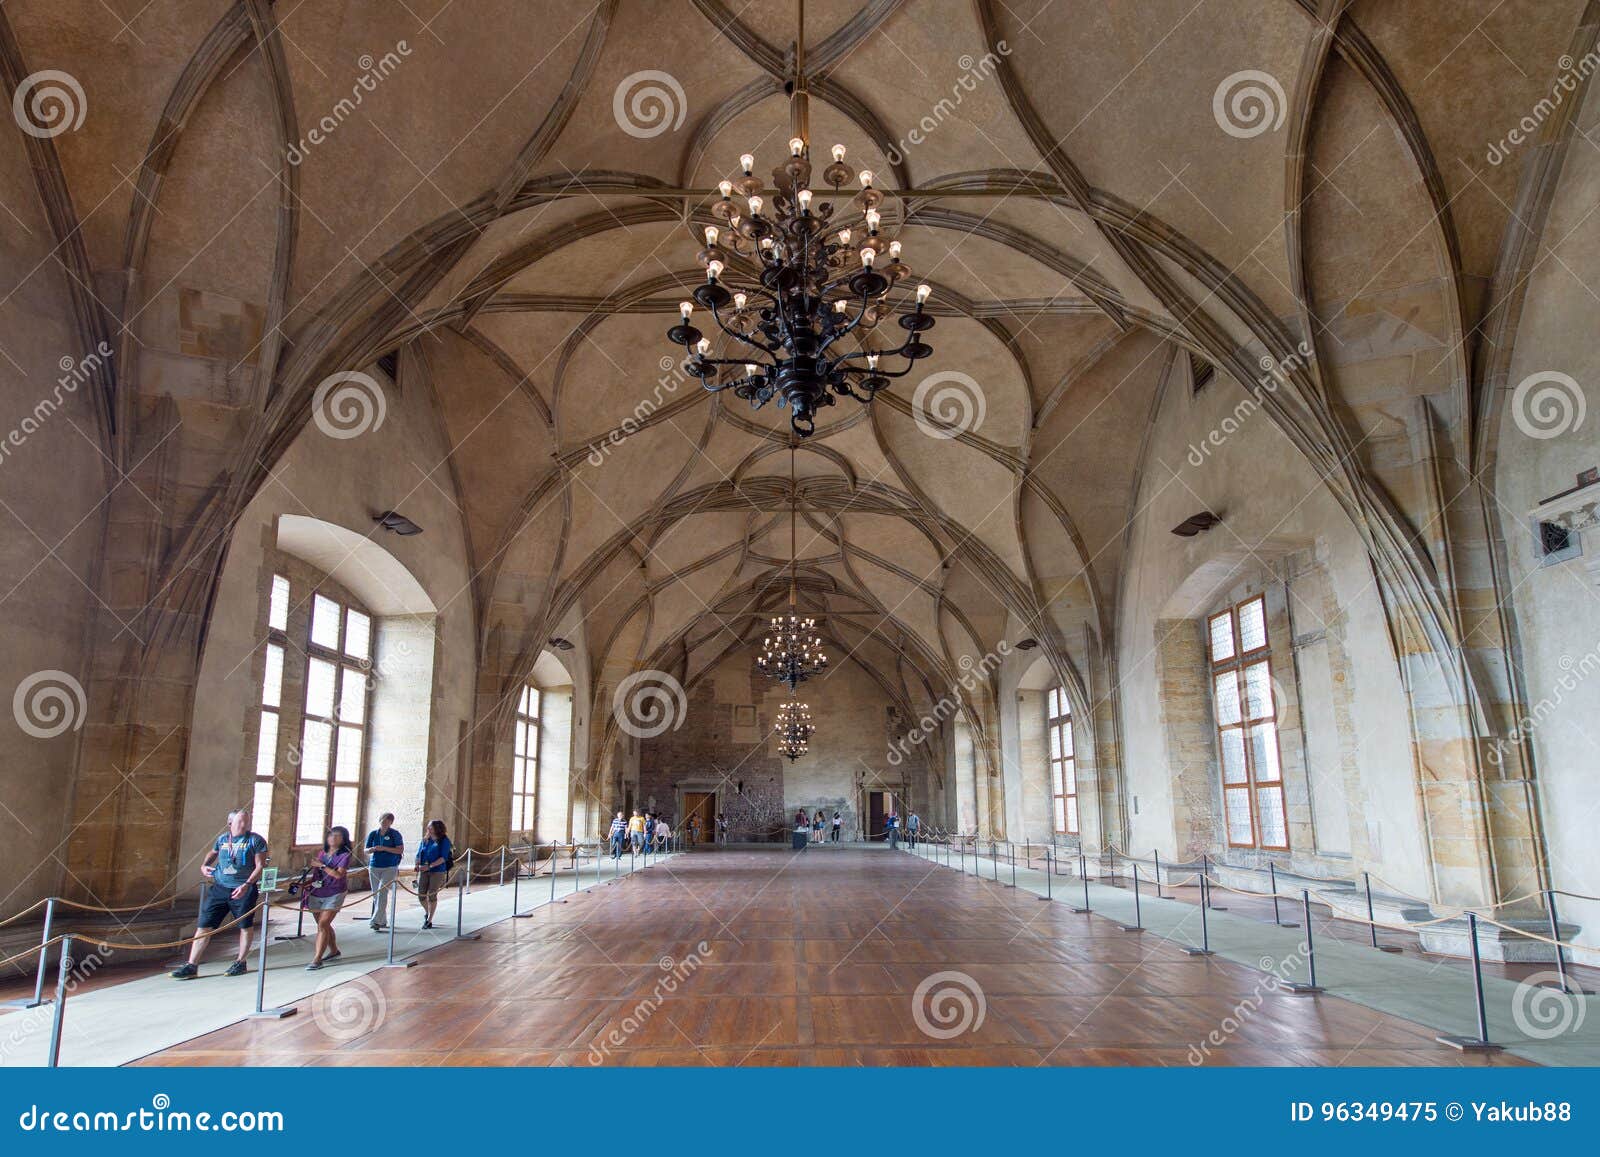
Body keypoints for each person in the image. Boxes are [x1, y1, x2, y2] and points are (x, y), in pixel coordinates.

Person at [171, 808, 268, 980]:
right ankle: (192, 964)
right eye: (240, 821)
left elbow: (260, 865)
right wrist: (204, 865)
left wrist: (247, 884)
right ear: (230, 823)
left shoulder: (255, 840)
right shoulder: (223, 839)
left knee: (245, 925)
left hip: (243, 888)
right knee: (204, 925)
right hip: (220, 888)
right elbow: (213, 852)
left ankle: (241, 961)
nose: (245, 824)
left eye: (247, 820)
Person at [305, 826, 353, 969]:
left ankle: (317, 959)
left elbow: (339, 875)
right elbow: (317, 872)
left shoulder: (344, 855)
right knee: (323, 924)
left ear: (343, 838)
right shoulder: (322, 853)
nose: (333, 838)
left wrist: (321, 866)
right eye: (331, 835)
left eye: (338, 835)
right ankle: (333, 950)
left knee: (323, 924)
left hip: (335, 892)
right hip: (318, 891)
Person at [363, 812, 404, 930]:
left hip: (390, 866)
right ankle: (382, 920)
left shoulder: (395, 834)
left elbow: (400, 850)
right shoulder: (373, 834)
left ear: (391, 822)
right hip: (375, 865)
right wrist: (372, 849)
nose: (384, 823)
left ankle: (375, 921)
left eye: (387, 821)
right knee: (376, 894)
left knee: (382, 891)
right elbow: (365, 850)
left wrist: (385, 848)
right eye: (382, 820)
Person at [415, 819, 453, 930]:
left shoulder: (444, 841)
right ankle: (427, 912)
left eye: (430, 828)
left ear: (437, 828)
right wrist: (417, 863)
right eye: (428, 827)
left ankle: (429, 920)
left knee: (432, 894)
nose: (428, 829)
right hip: (424, 870)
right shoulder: (425, 840)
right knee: (421, 894)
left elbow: (443, 858)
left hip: (437, 870)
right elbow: (419, 853)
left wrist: (430, 866)